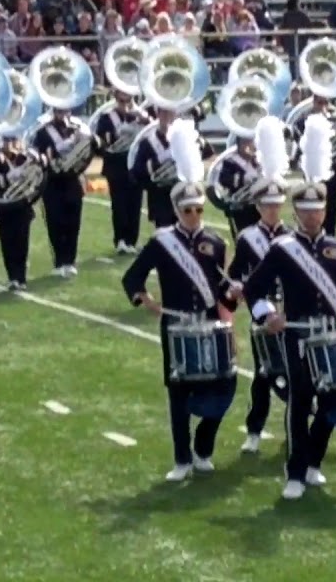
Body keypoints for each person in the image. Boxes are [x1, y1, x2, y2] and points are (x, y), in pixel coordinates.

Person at [242, 115, 336, 500]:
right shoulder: (281, 249)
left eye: (317, 210)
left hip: (331, 335)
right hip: (297, 336)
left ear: (325, 211)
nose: (312, 216)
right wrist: (266, 315)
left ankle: (313, 463)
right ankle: (293, 472)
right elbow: (252, 289)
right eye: (305, 210)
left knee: (332, 402)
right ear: (296, 213)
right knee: (300, 401)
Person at [122, 118, 238, 481]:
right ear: (176, 211)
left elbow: (220, 290)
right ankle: (182, 459)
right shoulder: (162, 242)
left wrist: (233, 297)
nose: (194, 216)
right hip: (174, 324)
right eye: (188, 211)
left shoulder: (216, 243)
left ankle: (204, 447)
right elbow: (132, 276)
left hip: (207, 322)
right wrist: (144, 299)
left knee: (220, 386)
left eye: (199, 210)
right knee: (178, 392)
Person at [225, 117, 292, 454]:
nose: (271, 210)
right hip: (261, 309)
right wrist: (236, 287)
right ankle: (254, 430)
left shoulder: (292, 236)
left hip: (290, 310)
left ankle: (296, 428)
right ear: (257, 207)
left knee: (297, 369)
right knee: (265, 373)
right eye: (266, 205)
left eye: (276, 205)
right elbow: (236, 272)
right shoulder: (248, 237)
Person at [31, 109, 89, 277]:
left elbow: (88, 153)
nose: (62, 113)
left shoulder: (78, 129)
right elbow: (38, 156)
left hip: (73, 181)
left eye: (65, 109)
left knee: (73, 223)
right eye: (59, 110)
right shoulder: (43, 132)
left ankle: (70, 260)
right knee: (55, 223)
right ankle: (59, 261)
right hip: (52, 183)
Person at [93, 90, 147, 253]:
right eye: (122, 101)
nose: (125, 105)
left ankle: (132, 240)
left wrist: (144, 120)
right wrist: (124, 127)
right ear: (116, 99)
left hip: (134, 165)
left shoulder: (140, 114)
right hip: (116, 166)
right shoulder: (106, 117)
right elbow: (105, 143)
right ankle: (121, 240)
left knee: (135, 203)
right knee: (119, 204)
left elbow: (149, 137)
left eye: (128, 101)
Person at [0, 135, 43, 290]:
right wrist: (7, 176)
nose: (11, 145)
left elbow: (36, 178)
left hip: (22, 206)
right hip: (3, 206)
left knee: (22, 242)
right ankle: (12, 276)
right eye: (7, 141)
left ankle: (21, 276)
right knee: (7, 243)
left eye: (13, 141)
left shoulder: (24, 159)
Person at [290, 96, 336, 234]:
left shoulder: (335, 119)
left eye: (325, 102)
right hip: (312, 169)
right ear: (313, 102)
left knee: (331, 207)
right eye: (319, 102)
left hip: (332, 169)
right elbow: (297, 137)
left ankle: (330, 237)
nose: (322, 106)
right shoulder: (303, 121)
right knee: (312, 205)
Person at [131, 107, 185, 229]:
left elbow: (205, 154)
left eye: (171, 112)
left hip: (182, 196)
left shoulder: (184, 139)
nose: (167, 116)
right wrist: (156, 167)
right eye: (163, 112)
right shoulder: (147, 142)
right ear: (158, 114)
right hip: (159, 198)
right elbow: (137, 172)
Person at [205, 133, 261, 237]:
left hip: (260, 207)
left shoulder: (258, 159)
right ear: (238, 144)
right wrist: (244, 179)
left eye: (251, 141)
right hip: (240, 209)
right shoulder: (229, 162)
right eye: (244, 142)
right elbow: (223, 181)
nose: (249, 145)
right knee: (244, 239)